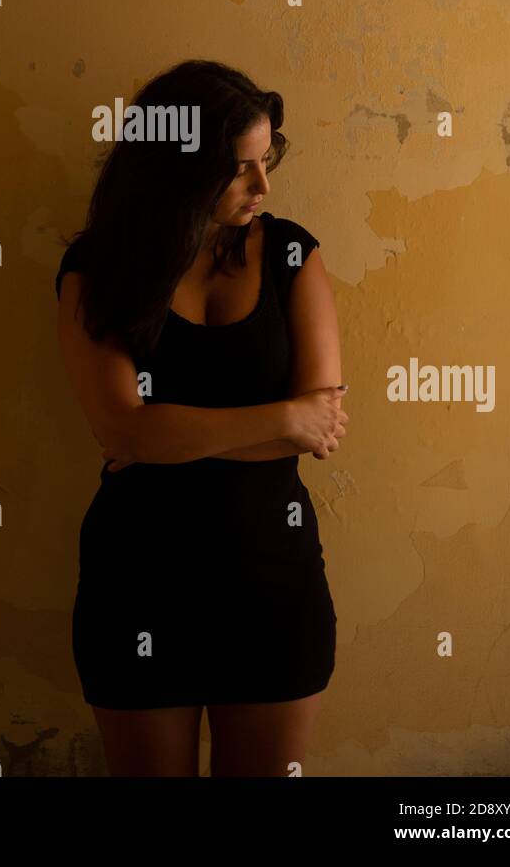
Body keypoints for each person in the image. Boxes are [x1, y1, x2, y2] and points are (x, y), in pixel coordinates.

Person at [55, 59, 348, 776]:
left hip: (272, 581)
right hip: (139, 580)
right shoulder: (98, 268)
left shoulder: (289, 254)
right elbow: (120, 430)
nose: (264, 185)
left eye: (266, 158)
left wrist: (165, 436)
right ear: (175, 169)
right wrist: (279, 419)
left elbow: (321, 427)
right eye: (240, 168)